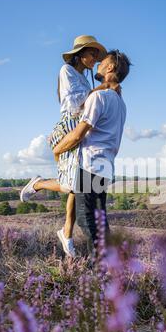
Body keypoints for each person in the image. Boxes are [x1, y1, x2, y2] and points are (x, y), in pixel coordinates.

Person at [20, 35, 119, 257]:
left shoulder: (85, 78)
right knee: (70, 186)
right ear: (80, 54)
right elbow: (75, 105)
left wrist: (101, 90)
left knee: (77, 183)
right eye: (92, 54)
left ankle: (66, 233)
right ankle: (39, 184)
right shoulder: (67, 71)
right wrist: (104, 88)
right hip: (70, 127)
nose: (95, 58)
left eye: (97, 55)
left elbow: (89, 103)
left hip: (83, 127)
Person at [52, 50, 131, 256]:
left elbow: (78, 134)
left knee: (89, 223)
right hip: (105, 169)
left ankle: (102, 275)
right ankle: (110, 270)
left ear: (110, 68)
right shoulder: (121, 103)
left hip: (89, 166)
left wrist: (57, 149)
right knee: (100, 224)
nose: (97, 63)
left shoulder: (99, 97)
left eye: (102, 62)